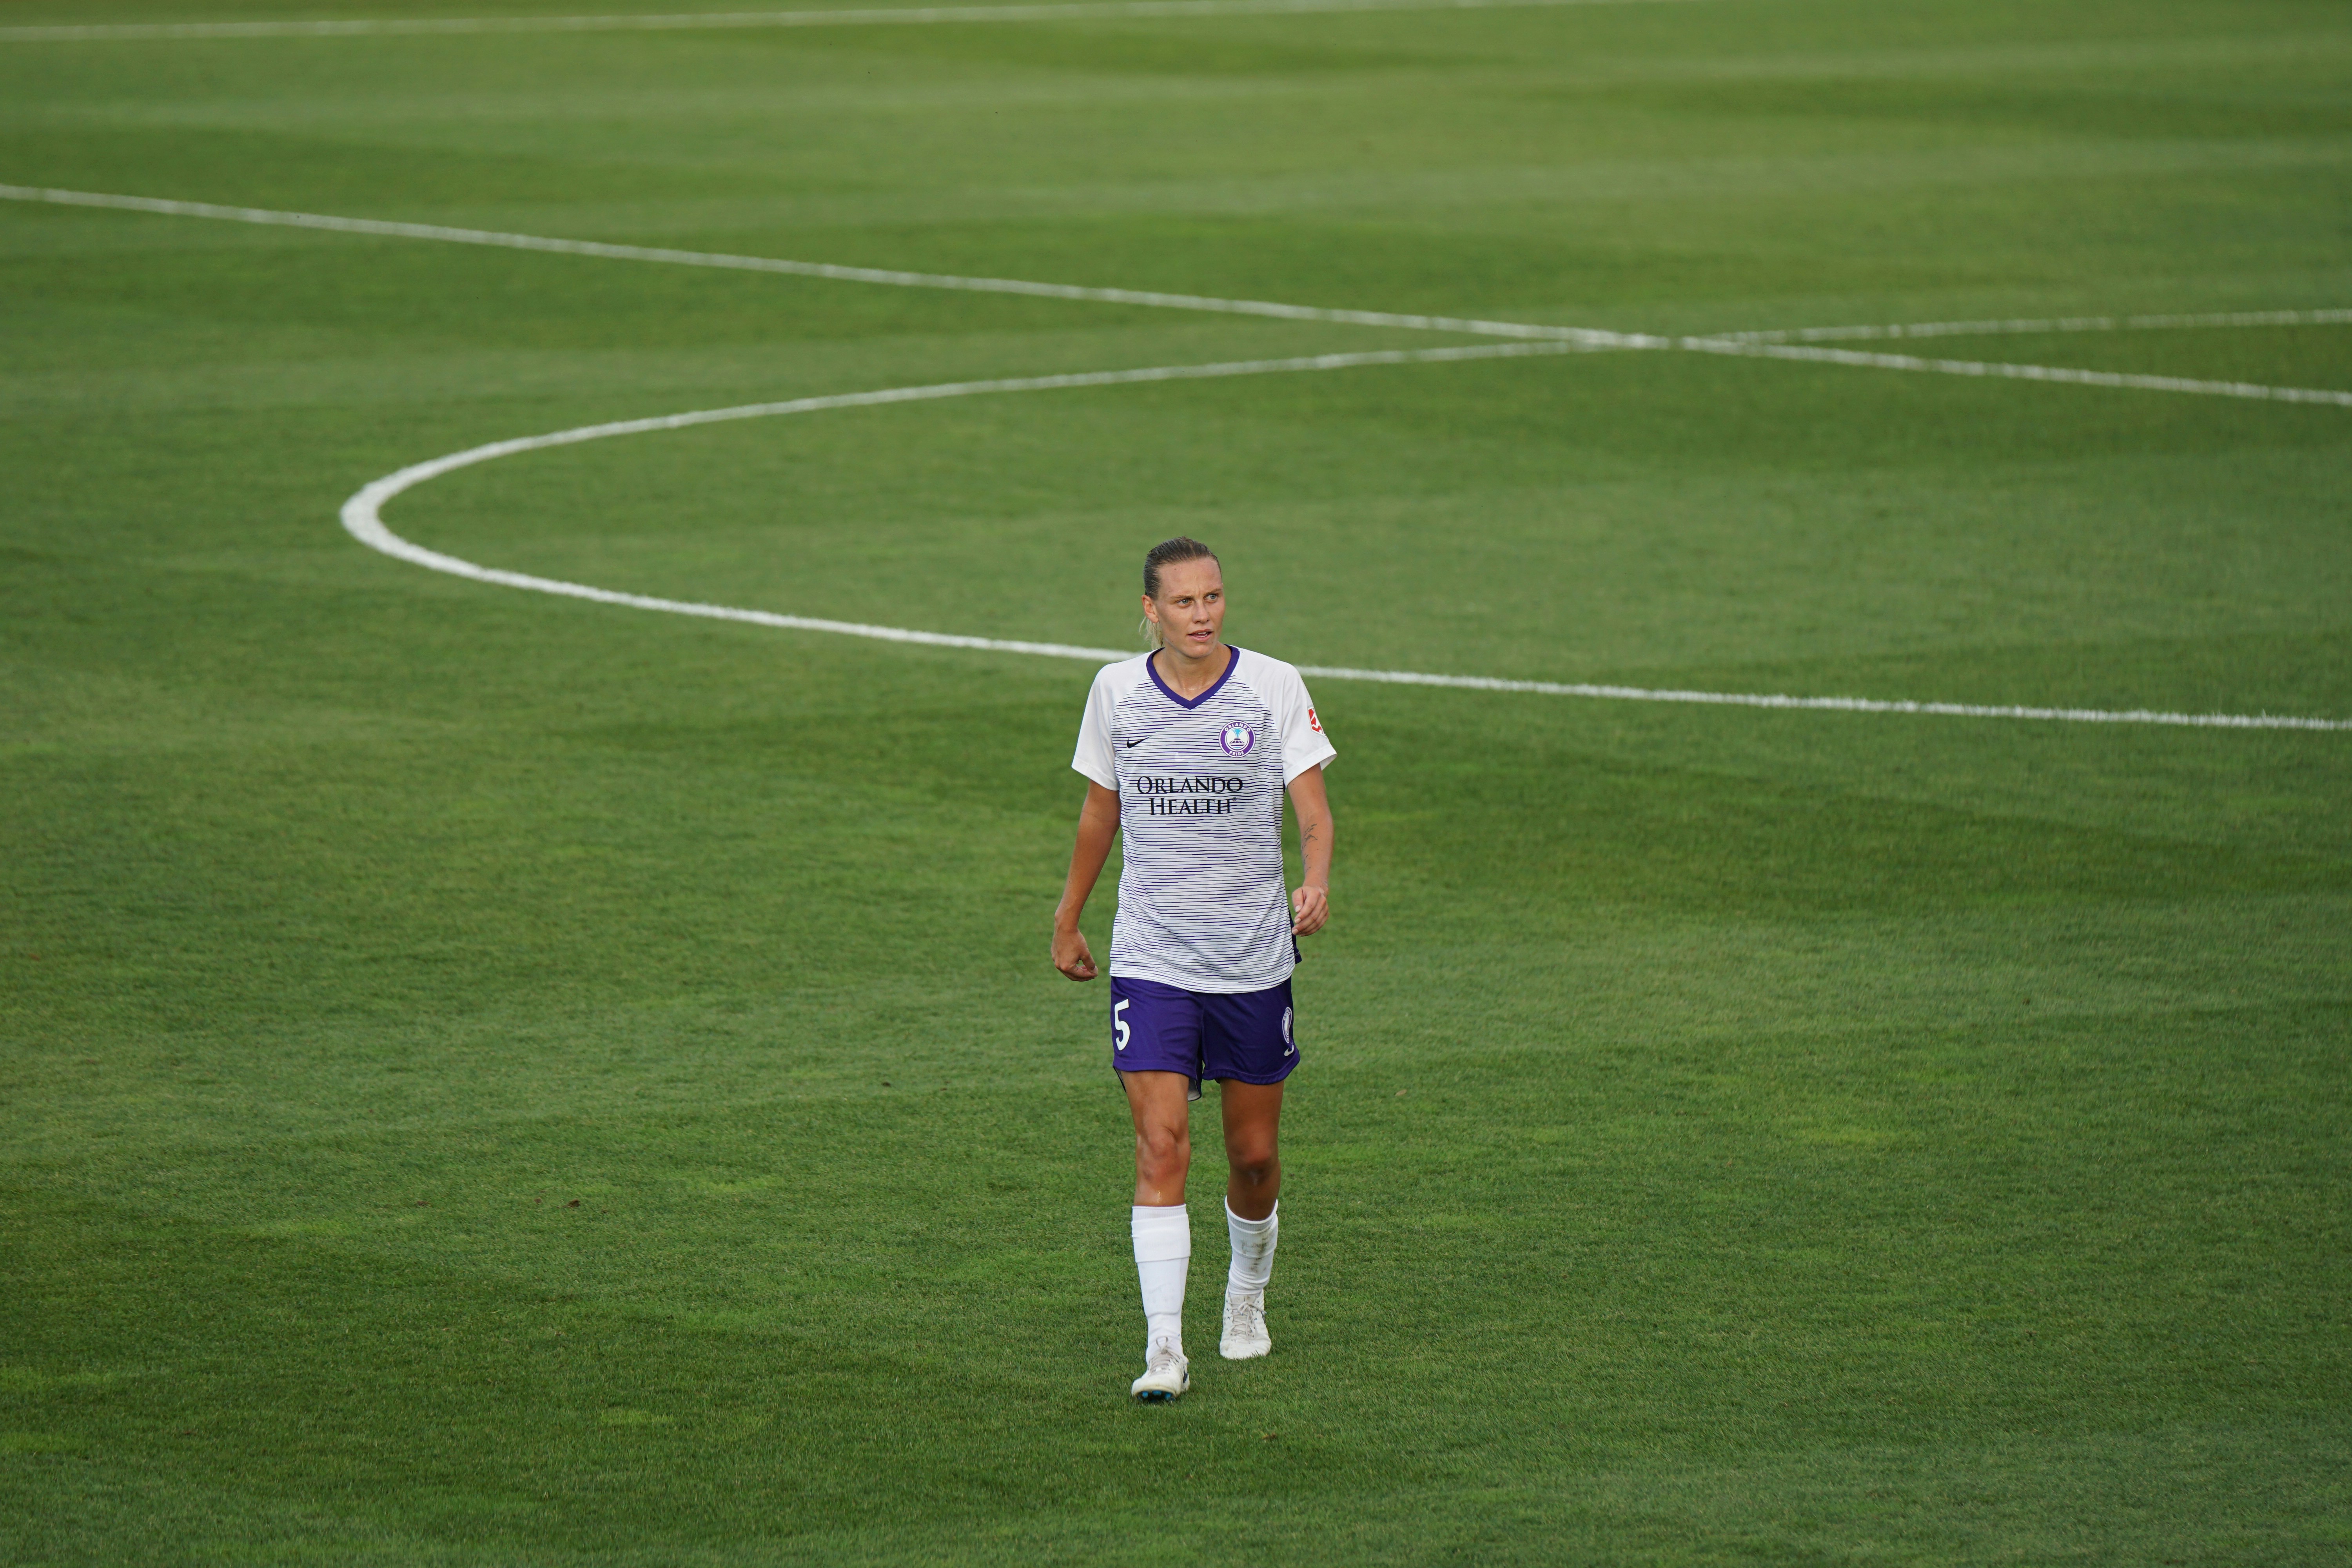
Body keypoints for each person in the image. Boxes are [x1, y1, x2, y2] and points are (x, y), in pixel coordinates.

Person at [1053, 536, 1336, 1402]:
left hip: (1251, 956)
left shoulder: (1274, 685)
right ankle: (1165, 1348)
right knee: (1161, 1143)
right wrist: (1069, 915)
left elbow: (1315, 812)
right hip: (1153, 954)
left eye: (1213, 596)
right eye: (1184, 601)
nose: (1203, 613)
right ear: (1150, 609)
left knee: (1253, 1156)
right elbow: (1101, 810)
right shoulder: (1115, 692)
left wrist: (1315, 879)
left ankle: (1245, 1298)